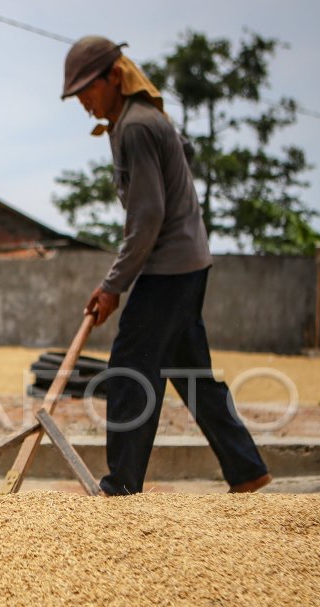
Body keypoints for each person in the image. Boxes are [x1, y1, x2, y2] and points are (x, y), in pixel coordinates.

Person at [61, 35, 271, 495]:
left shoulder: (136, 125)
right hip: (189, 264)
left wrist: (113, 285)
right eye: (76, 95)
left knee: (129, 371)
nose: (82, 101)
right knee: (193, 375)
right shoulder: (134, 123)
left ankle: (121, 486)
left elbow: (148, 216)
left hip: (170, 268)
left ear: (115, 77)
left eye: (87, 90)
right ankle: (246, 469)